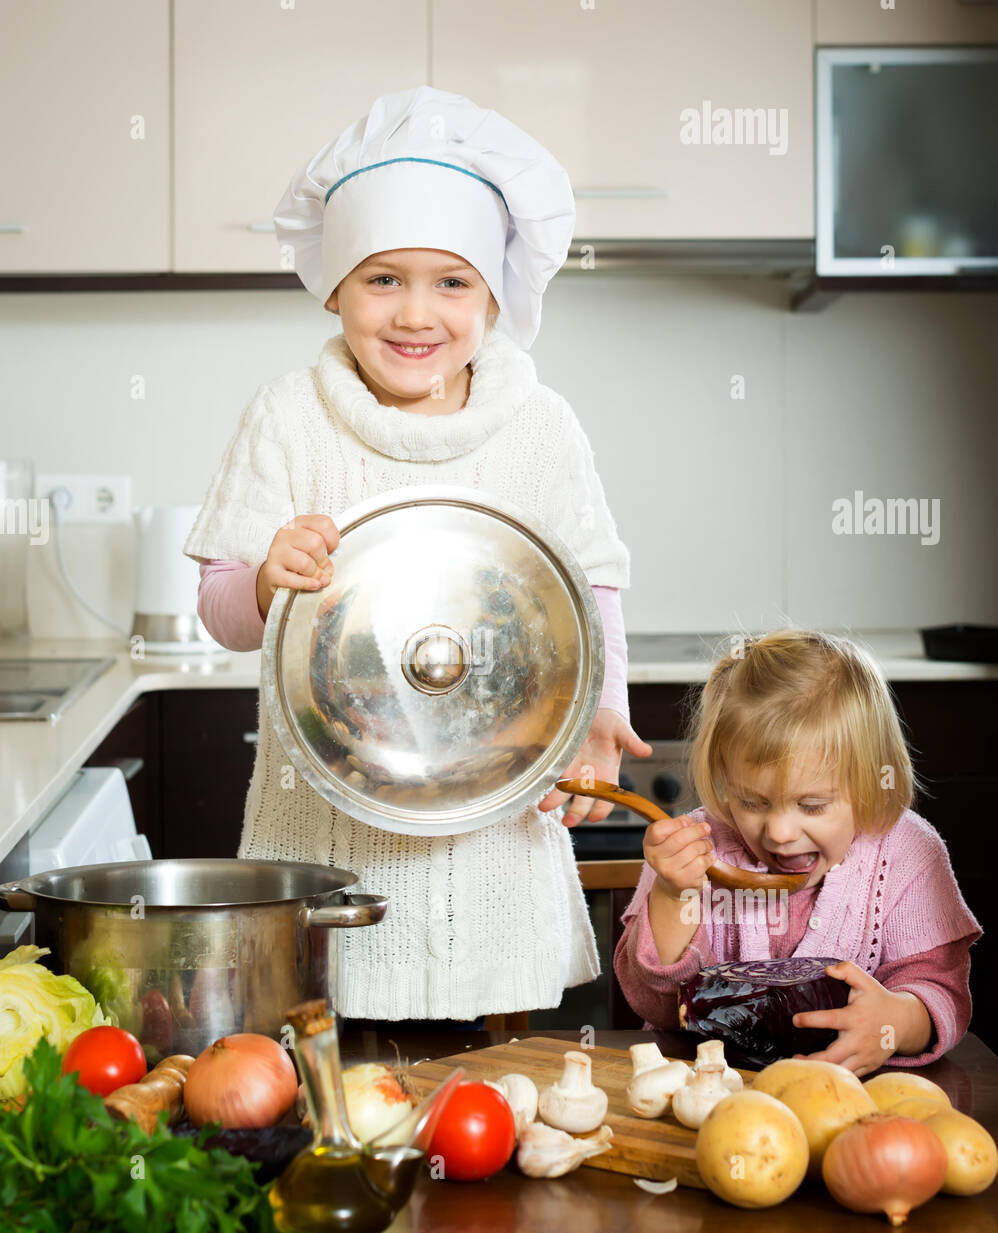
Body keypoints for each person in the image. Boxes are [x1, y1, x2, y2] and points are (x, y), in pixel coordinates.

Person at [183, 86, 650, 1022]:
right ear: (336, 286)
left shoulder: (538, 427)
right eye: (383, 278)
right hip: (325, 827)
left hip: (498, 835)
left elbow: (589, 584)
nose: (415, 313)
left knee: (499, 1080)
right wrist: (269, 578)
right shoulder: (290, 416)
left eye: (452, 282)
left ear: (492, 296)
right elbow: (224, 609)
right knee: (330, 1070)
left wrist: (602, 707)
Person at [614, 630, 981, 1073]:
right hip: (709, 1085)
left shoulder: (908, 854)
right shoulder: (693, 849)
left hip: (853, 1095)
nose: (781, 832)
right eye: (752, 802)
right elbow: (658, 1007)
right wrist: (673, 896)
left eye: (812, 805)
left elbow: (940, 992)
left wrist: (894, 1023)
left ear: (868, 786)